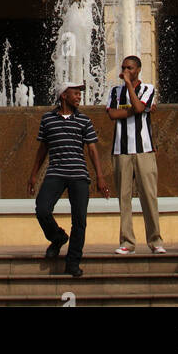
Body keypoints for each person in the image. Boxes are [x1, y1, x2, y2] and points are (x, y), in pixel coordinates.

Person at [28, 83, 110, 275]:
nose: (79, 96)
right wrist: (33, 175)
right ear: (63, 96)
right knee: (42, 209)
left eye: (79, 93)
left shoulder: (84, 120)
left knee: (79, 221)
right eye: (75, 93)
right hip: (55, 172)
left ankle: (73, 262)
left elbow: (92, 149)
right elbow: (43, 149)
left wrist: (100, 176)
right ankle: (57, 238)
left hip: (79, 175)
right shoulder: (48, 119)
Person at [106, 54, 165, 255]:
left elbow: (140, 106)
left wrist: (131, 90)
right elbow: (113, 114)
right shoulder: (114, 91)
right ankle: (127, 242)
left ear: (138, 69)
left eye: (129, 68)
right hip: (120, 151)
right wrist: (137, 109)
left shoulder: (147, 88)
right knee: (124, 198)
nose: (125, 72)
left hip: (144, 150)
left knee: (149, 196)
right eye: (123, 68)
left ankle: (155, 240)